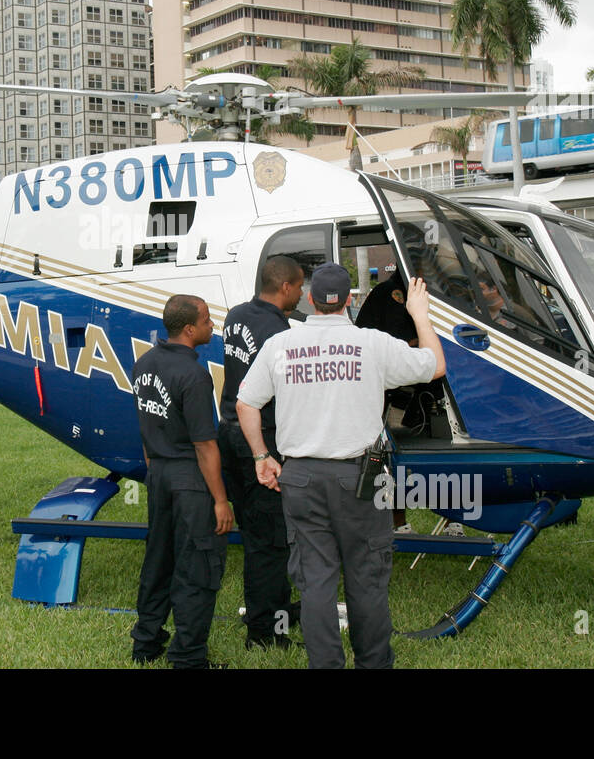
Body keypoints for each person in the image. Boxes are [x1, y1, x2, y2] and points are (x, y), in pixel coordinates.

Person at [236, 264, 445, 669]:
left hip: (300, 478)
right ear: (350, 300)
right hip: (361, 480)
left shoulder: (281, 344)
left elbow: (246, 403)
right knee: (366, 580)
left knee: (315, 582)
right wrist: (419, 313)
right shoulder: (372, 343)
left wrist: (262, 457)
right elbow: (434, 365)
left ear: (309, 300)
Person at [130, 294, 234, 668]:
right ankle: (188, 658)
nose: (212, 325)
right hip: (190, 480)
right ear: (189, 329)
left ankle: (146, 642)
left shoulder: (143, 364)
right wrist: (220, 500)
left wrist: (155, 470)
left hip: (157, 473)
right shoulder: (194, 375)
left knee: (158, 559)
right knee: (198, 568)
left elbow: (145, 428)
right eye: (206, 320)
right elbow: (205, 444)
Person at [218, 255, 305, 649]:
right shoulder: (277, 329)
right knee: (270, 543)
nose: (302, 293)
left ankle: (272, 612)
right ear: (286, 287)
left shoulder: (235, 315)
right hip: (259, 441)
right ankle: (266, 633)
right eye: (300, 286)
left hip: (228, 433)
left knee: (257, 536)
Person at [355, 270, 458, 536]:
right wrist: (412, 344)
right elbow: (370, 338)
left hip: (435, 390)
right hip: (394, 391)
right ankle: (398, 522)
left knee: (449, 455)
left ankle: (454, 519)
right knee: (389, 458)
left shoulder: (443, 293)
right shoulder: (384, 295)